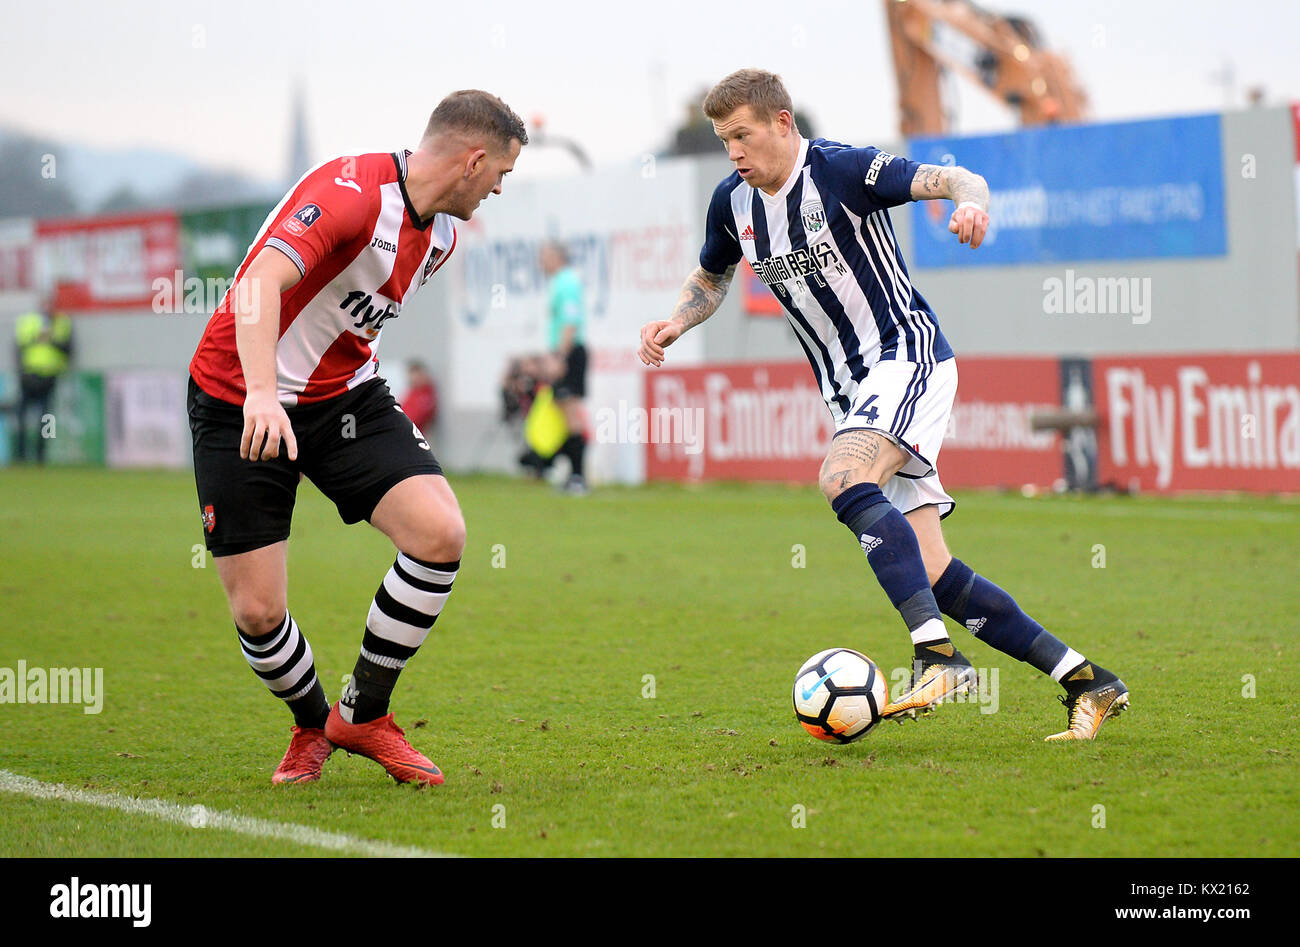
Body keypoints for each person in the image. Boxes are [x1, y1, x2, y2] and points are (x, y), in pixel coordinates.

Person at [637, 69, 1128, 741]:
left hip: (906, 356)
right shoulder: (733, 203)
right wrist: (675, 321)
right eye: (725, 141)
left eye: (743, 136)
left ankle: (938, 657)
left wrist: (972, 204)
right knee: (932, 569)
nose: (735, 153)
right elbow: (711, 272)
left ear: (782, 123)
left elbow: (956, 178)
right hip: (849, 393)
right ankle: (1085, 679)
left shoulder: (842, 170)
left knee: (842, 477)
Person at [187, 90, 527, 785]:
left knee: (440, 534)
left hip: (343, 398)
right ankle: (311, 724)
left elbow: (347, 321)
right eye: (502, 173)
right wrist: (259, 393)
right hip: (236, 395)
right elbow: (258, 287)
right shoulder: (349, 193)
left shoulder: (444, 235)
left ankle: (363, 713)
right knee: (257, 610)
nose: (499, 187)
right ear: (473, 158)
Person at [539, 240, 589, 493]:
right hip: (565, 353)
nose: (541, 262)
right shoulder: (561, 281)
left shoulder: (566, 282)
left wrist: (560, 356)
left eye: (545, 256)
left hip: (569, 354)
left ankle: (578, 478)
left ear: (557, 257)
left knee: (571, 414)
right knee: (564, 413)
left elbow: (570, 321)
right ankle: (570, 474)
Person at [12, 303, 73, 464]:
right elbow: (18, 348)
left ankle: (41, 456)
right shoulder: (27, 321)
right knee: (21, 416)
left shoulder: (62, 323)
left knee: (47, 419)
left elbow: (68, 349)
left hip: (49, 377)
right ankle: (20, 455)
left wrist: (51, 340)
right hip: (28, 376)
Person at [401, 360, 439, 439]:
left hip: (412, 436)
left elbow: (414, 418)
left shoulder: (426, 396)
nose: (413, 379)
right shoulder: (412, 392)